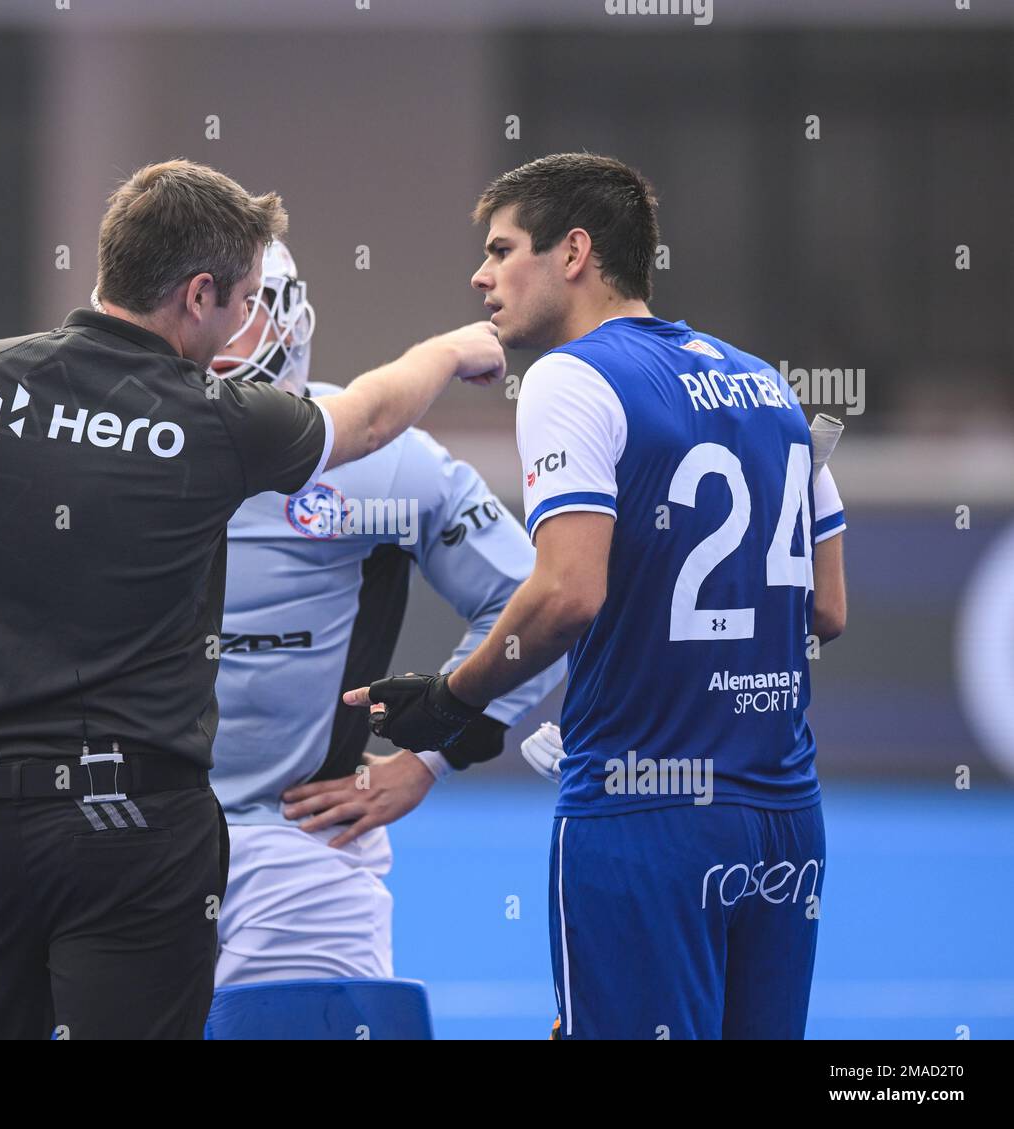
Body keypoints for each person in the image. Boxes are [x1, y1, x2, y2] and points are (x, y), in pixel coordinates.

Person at [0, 158, 504, 1040]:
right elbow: (373, 420)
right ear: (197, 295)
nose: (239, 323)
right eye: (238, 297)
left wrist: (1, 615)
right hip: (143, 822)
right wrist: (449, 349)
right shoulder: (215, 419)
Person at [348, 152, 848, 1039]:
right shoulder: (771, 387)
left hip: (642, 817)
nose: (481, 273)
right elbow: (827, 610)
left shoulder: (571, 378)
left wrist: (450, 701)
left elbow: (569, 592)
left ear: (573, 252)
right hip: (785, 820)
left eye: (502, 249)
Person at [196, 239, 565, 989]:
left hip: (301, 843)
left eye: (249, 310)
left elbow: (540, 599)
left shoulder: (388, 462)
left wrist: (432, 751)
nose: (228, 335)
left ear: (291, 321)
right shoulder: (124, 445)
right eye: (208, 309)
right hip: (126, 837)